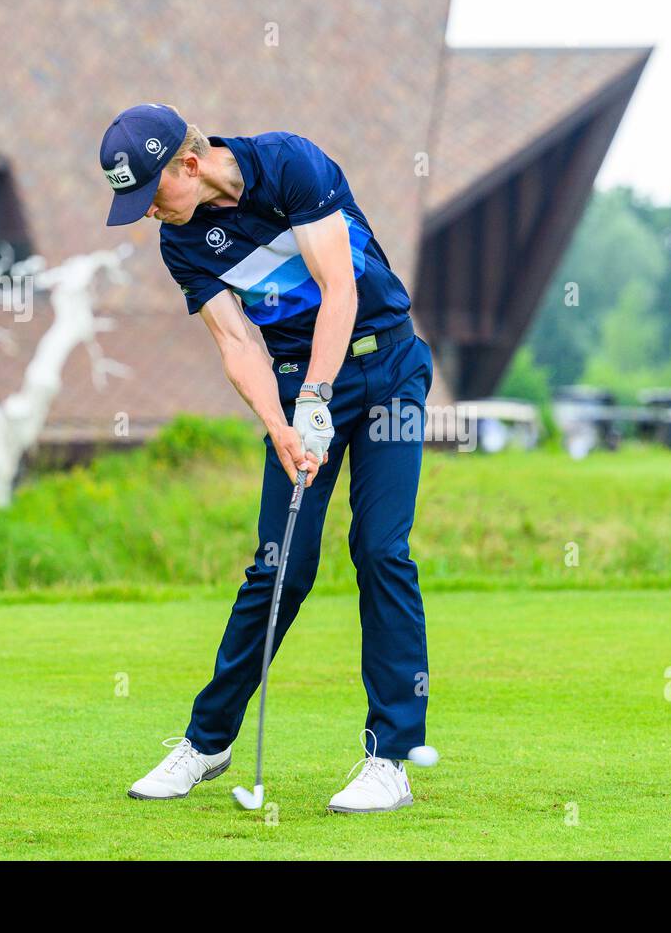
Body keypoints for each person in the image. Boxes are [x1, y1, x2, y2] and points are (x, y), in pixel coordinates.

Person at [100, 104, 432, 813]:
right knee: (281, 564)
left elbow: (339, 289)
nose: (150, 214)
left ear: (189, 164)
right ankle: (208, 740)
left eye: (152, 195)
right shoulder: (182, 243)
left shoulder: (289, 164)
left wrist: (316, 392)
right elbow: (237, 342)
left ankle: (391, 759)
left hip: (389, 367)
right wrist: (282, 423)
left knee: (381, 549)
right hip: (294, 381)